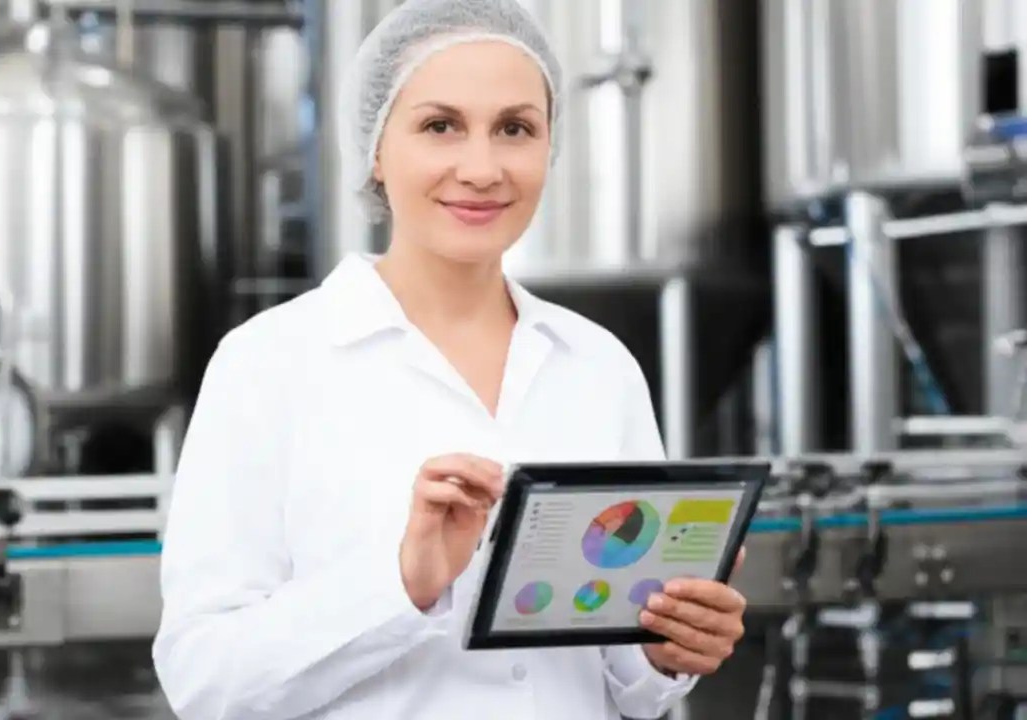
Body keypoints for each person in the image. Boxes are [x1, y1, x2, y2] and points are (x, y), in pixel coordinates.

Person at [152, 0, 748, 717]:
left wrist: (667, 646)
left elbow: (627, 684)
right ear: (375, 148)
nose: (482, 168)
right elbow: (203, 681)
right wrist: (403, 585)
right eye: (440, 126)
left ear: (550, 146)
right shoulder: (269, 364)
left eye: (515, 129)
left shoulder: (598, 365)